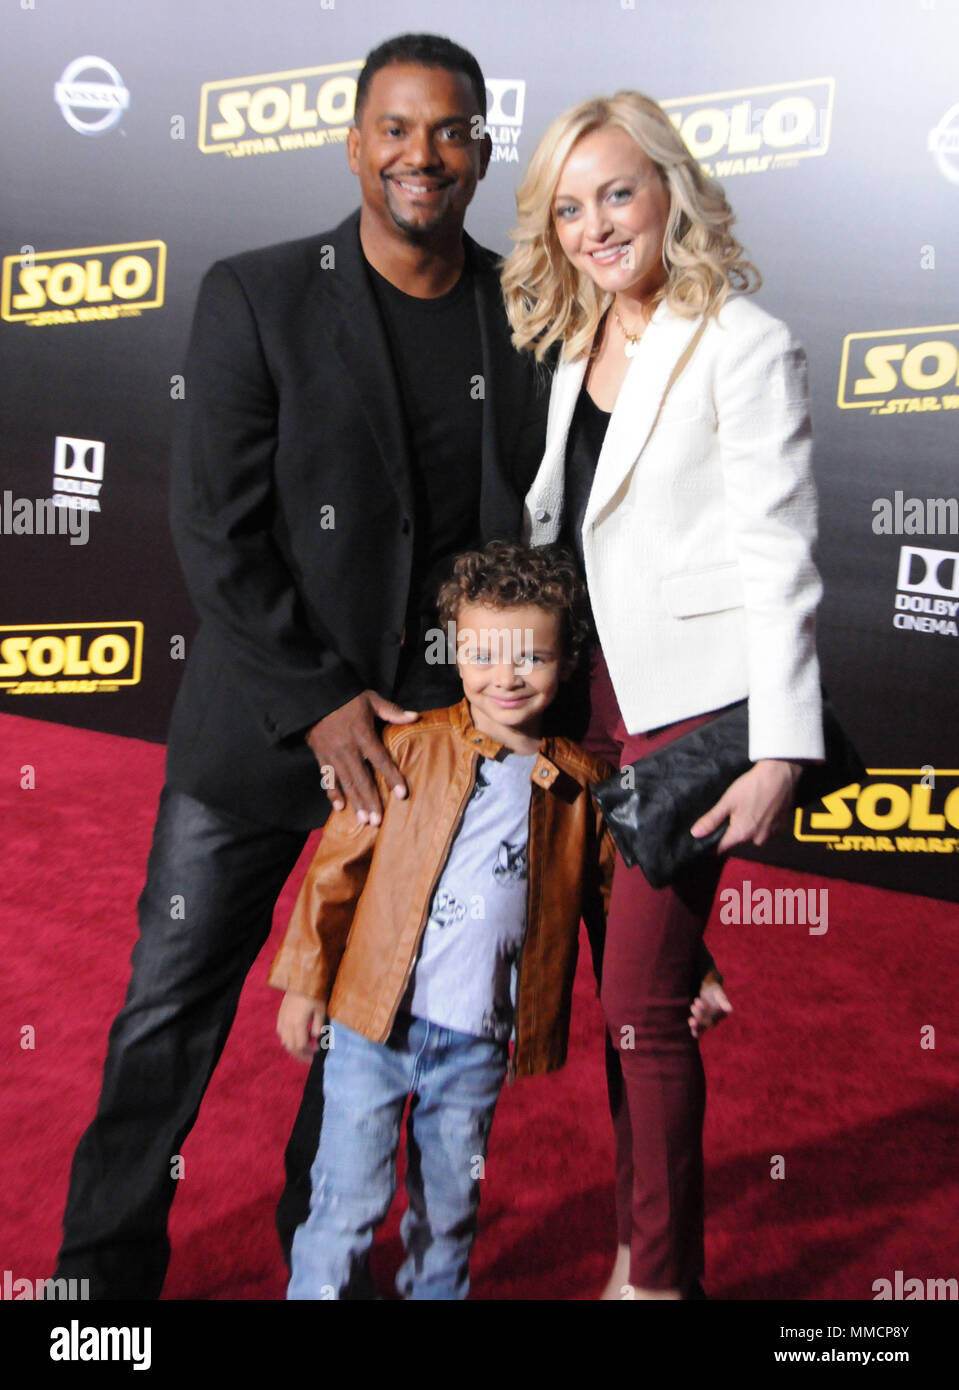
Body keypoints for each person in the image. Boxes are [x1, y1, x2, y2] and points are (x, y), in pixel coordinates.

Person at [55, 33, 552, 1300]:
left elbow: (519, 540)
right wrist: (319, 698)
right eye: (395, 128)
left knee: (361, 1027)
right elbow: (213, 530)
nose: (420, 154)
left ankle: (312, 1265)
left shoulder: (521, 312)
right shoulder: (260, 291)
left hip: (422, 758)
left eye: (447, 131)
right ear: (353, 143)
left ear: (481, 151)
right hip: (260, 734)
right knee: (169, 1014)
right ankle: (100, 1284)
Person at [501, 91, 825, 1300]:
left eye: (616, 193)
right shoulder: (573, 348)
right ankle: (637, 1251)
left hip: (686, 720)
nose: (594, 226)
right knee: (628, 1007)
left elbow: (779, 554)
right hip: (584, 715)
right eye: (569, 207)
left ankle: (659, 1282)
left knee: (640, 1009)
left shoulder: (741, 341)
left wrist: (780, 751)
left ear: (669, 192)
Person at [268, 541, 723, 1300]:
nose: (505, 677)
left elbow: (621, 897)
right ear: (457, 650)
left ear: (570, 660)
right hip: (367, 1027)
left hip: (476, 1043)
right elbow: (333, 875)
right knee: (345, 1202)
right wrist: (305, 984)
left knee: (448, 1211)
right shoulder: (405, 749)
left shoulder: (585, 789)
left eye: (531, 658)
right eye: (485, 654)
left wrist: (690, 971)